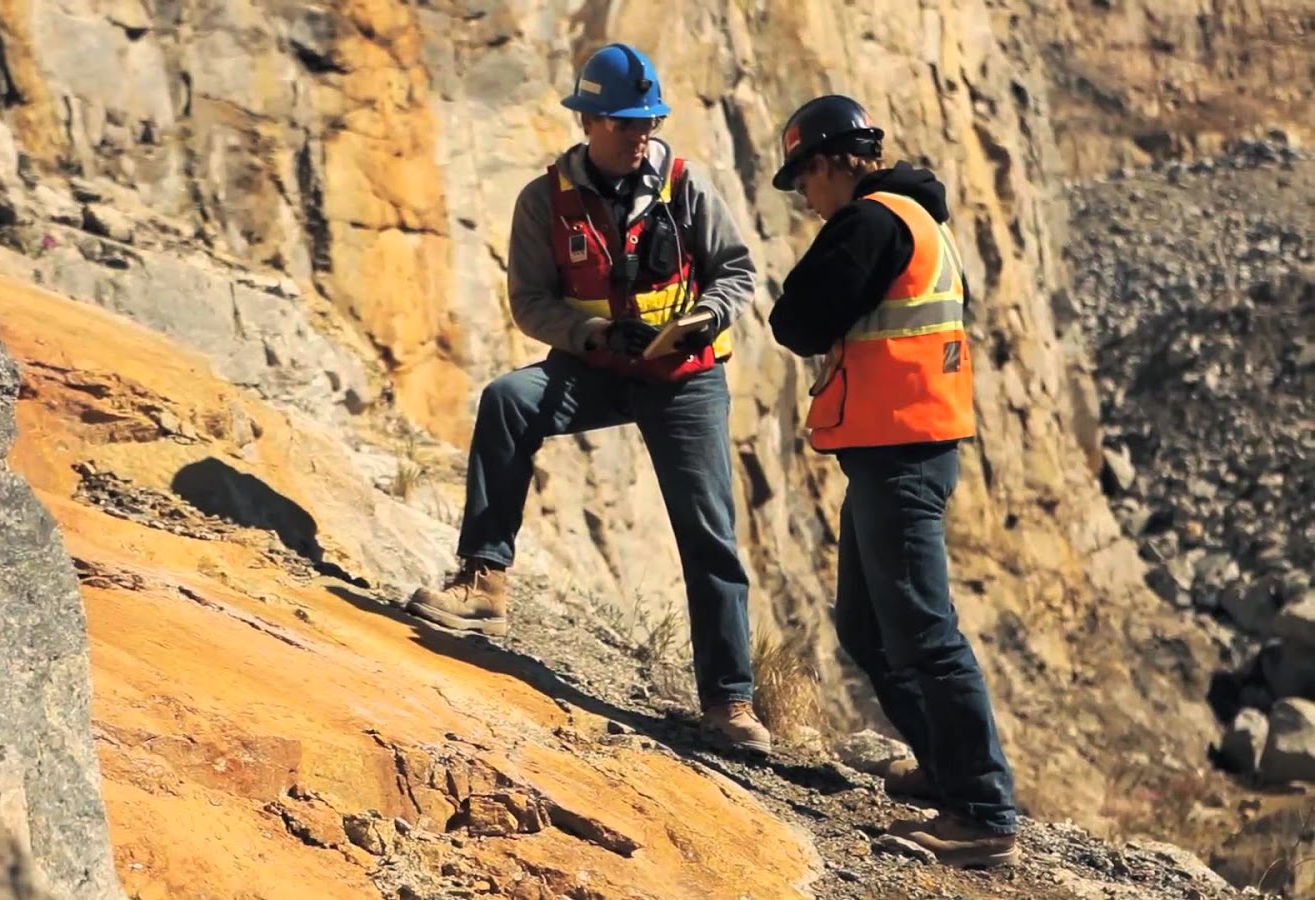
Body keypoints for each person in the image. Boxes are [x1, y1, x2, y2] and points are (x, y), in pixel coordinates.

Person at [405, 42, 770, 755]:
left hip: (686, 379)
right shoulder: (544, 202)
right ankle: (484, 579)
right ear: (589, 123)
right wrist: (593, 333)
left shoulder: (686, 186)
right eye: (627, 123)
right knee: (509, 400)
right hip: (597, 366)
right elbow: (531, 303)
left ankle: (729, 702)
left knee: (708, 533)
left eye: (649, 121)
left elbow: (736, 271)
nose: (641, 134)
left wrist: (705, 317)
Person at [767, 94, 1020, 866]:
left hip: (901, 452)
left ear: (827, 164)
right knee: (867, 626)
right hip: (900, 446)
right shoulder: (917, 216)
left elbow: (797, 321)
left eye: (803, 182)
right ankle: (944, 767)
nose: (806, 201)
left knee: (922, 633)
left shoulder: (871, 222)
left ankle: (982, 812)